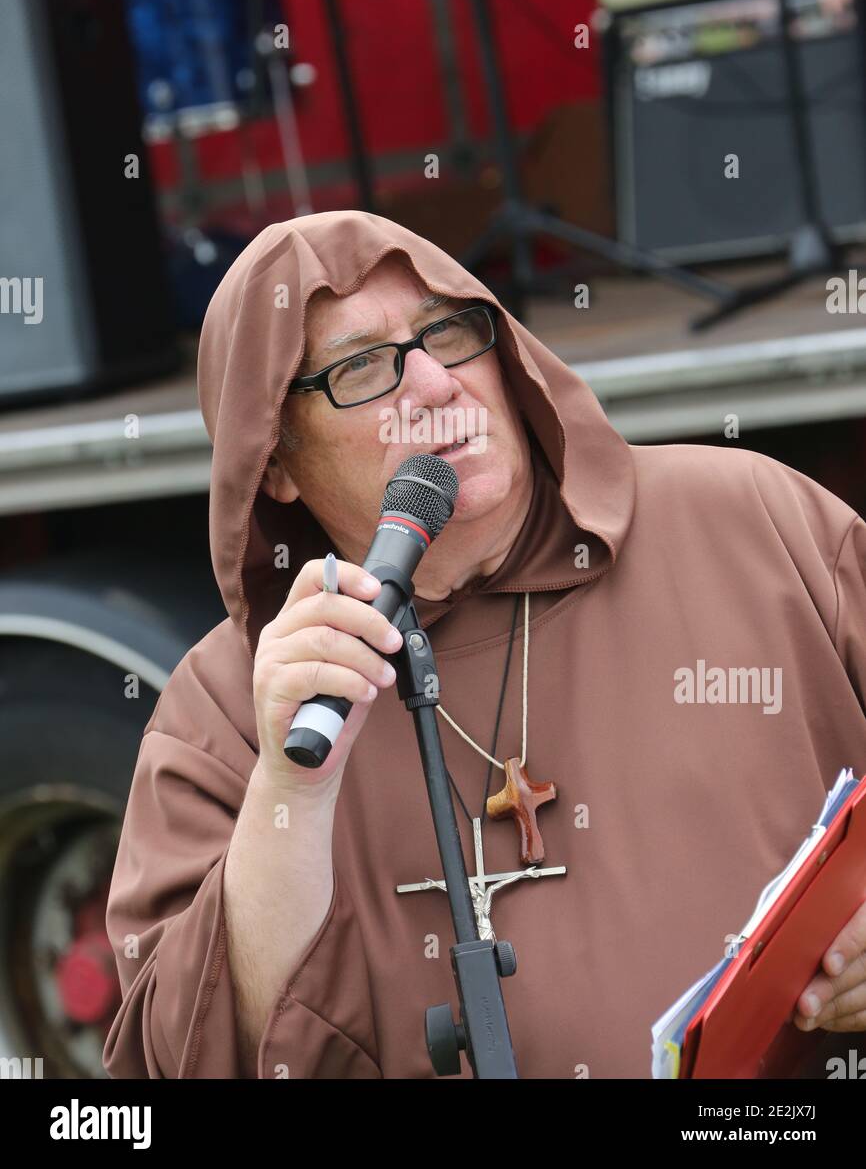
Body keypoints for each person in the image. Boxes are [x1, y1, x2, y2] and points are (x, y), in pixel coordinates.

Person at [103, 210, 866, 1079]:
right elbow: (183, 1064)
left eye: (450, 331)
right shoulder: (224, 711)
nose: (433, 383)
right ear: (272, 458)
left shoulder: (753, 522)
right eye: (361, 368)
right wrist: (290, 789)